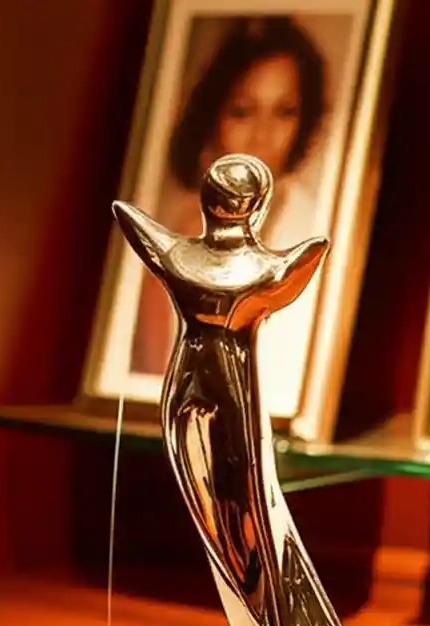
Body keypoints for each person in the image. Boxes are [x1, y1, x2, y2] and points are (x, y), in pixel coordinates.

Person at [130, 16, 330, 375]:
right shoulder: (177, 240)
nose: (262, 135)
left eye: (284, 112)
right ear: (214, 118)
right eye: (243, 112)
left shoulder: (315, 223)